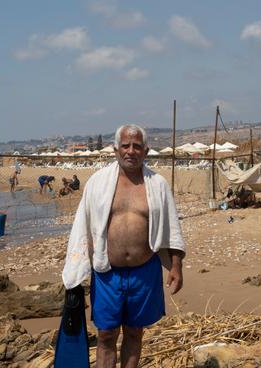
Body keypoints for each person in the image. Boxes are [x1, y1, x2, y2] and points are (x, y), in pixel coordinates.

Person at [62, 124, 185, 368]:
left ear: (146, 151)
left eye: (137, 146)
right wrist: (76, 269)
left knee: (134, 332)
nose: (131, 151)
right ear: (116, 149)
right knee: (106, 334)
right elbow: (82, 226)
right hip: (108, 273)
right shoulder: (98, 183)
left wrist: (176, 266)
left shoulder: (157, 184)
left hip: (144, 272)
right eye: (126, 146)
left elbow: (171, 227)